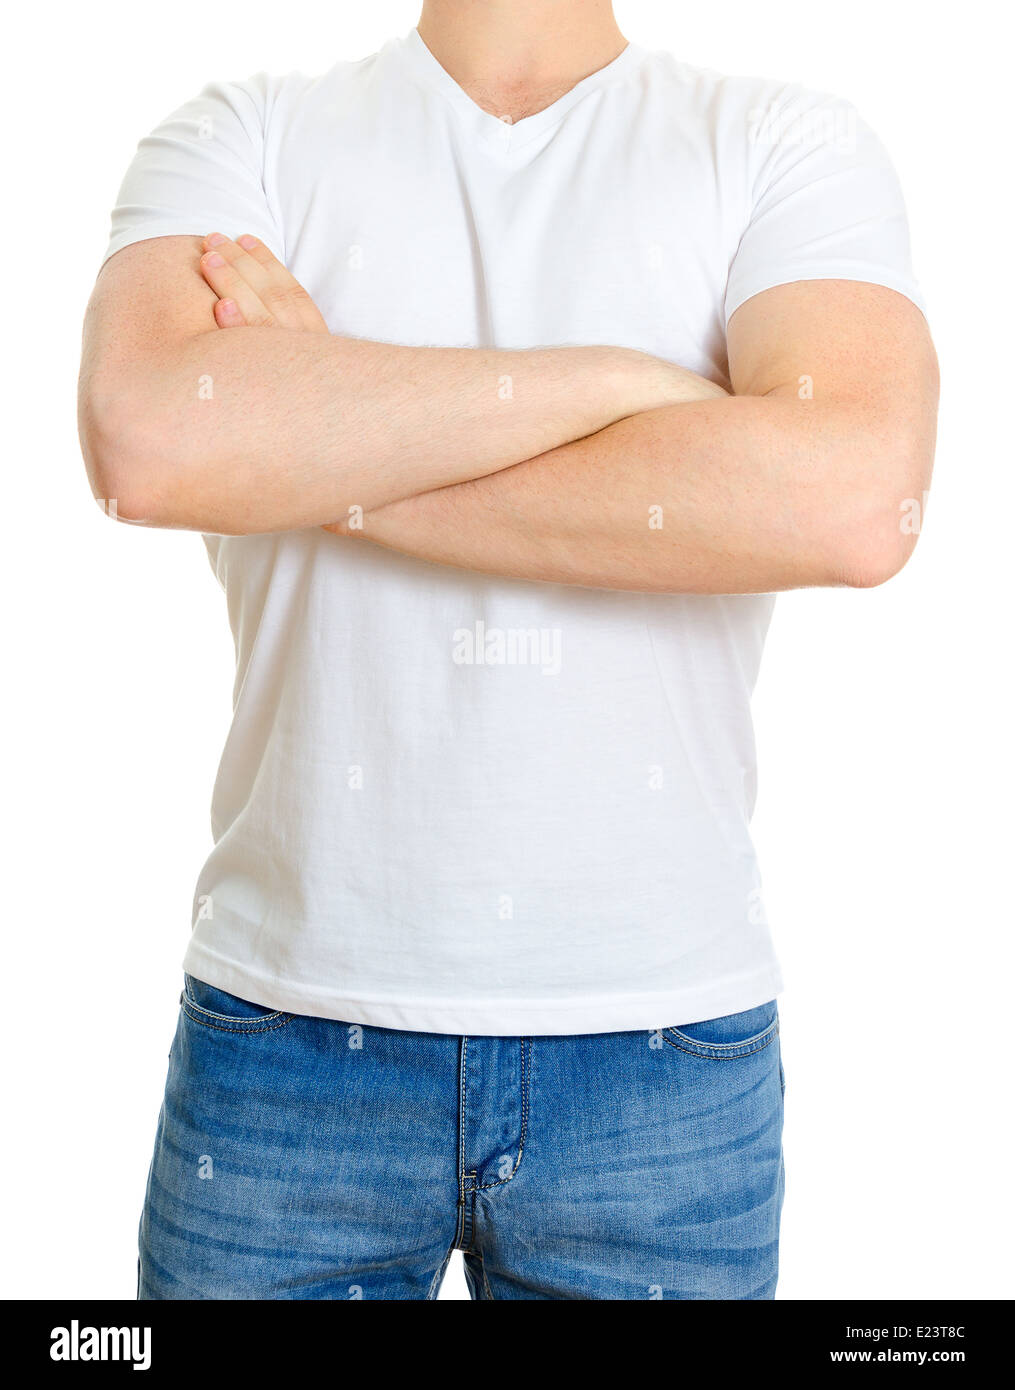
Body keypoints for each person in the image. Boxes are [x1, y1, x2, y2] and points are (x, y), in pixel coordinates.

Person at [78, 0, 938, 1300]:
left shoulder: (782, 143)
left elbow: (855, 501)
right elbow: (153, 443)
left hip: (662, 1049)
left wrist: (319, 427)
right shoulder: (239, 136)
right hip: (285, 1030)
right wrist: (621, 384)